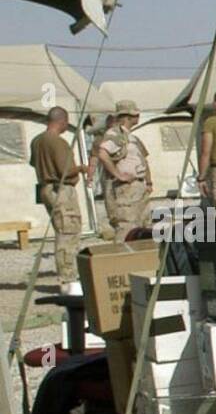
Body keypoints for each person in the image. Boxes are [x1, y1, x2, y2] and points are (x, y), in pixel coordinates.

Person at [31, 106, 90, 292]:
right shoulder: (58, 142)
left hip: (46, 188)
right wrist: (82, 168)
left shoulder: (37, 141)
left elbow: (34, 163)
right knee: (68, 233)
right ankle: (68, 279)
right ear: (62, 121)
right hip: (62, 189)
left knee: (62, 229)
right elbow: (66, 170)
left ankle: (68, 277)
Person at [97, 100, 153, 241]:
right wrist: (118, 175)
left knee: (144, 227)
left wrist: (148, 182)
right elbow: (103, 154)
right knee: (127, 228)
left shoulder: (131, 137)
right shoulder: (116, 134)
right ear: (127, 116)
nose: (138, 116)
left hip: (138, 187)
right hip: (126, 189)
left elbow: (144, 160)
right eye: (135, 114)